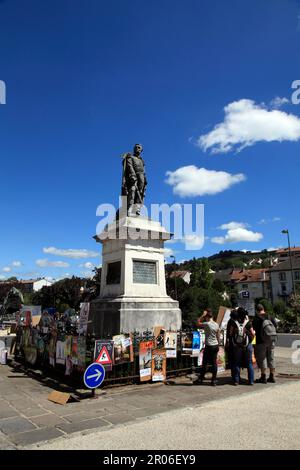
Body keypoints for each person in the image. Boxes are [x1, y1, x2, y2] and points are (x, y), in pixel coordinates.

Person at [228, 307, 255, 385]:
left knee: (237, 363)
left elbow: (230, 334)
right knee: (249, 363)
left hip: (237, 345)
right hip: (247, 345)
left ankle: (236, 381)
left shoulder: (234, 322)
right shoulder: (248, 323)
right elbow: (253, 334)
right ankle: (251, 381)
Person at [252, 303, 277, 384]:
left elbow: (254, 330)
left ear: (257, 310)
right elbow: (275, 326)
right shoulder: (270, 316)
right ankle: (272, 376)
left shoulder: (256, 319)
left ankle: (263, 377)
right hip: (271, 339)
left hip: (261, 341)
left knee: (262, 358)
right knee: (271, 357)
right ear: (263, 309)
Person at [195, 309, 220, 386]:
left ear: (206, 317)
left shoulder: (206, 324)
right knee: (214, 363)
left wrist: (202, 315)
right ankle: (214, 380)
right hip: (215, 345)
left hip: (209, 346)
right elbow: (218, 336)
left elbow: (197, 323)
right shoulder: (216, 324)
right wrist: (217, 344)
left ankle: (201, 379)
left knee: (205, 363)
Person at [121, 143, 147, 216]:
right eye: (136, 147)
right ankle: (130, 207)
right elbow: (129, 165)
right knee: (132, 190)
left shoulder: (142, 160)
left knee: (141, 192)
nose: (137, 148)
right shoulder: (130, 157)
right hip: (132, 176)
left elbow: (144, 170)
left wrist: (145, 178)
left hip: (141, 176)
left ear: (141, 150)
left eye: (139, 147)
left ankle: (137, 209)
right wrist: (133, 175)